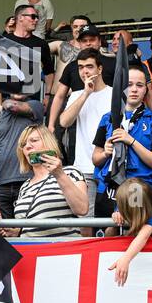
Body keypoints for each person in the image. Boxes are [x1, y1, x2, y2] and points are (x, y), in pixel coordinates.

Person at [90, 66, 152, 218]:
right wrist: (105, 153)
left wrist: (131, 141)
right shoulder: (108, 119)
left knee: (130, 228)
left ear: (146, 89)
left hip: (138, 185)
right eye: (129, 84)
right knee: (106, 235)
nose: (134, 89)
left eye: (139, 85)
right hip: (107, 187)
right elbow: (95, 159)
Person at [59, 48, 113, 214]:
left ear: (100, 69)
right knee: (85, 218)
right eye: (81, 67)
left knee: (113, 218)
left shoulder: (113, 94)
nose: (85, 71)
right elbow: (64, 122)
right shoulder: (77, 95)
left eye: (89, 66)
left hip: (110, 166)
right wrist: (86, 93)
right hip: (84, 167)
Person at [11, 125, 88, 237]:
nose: (27, 146)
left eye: (34, 140)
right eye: (23, 144)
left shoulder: (70, 172)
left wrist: (59, 175)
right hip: (31, 251)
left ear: (48, 143)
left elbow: (82, 209)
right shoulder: (25, 186)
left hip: (61, 250)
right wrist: (15, 232)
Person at [0, 92, 44, 218]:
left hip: (28, 180)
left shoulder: (35, 105)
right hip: (0, 182)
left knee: (26, 228)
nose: (18, 90)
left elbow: (11, 105)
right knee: (3, 231)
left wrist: (0, 98)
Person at [106, 179, 152, 287]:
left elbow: (143, 236)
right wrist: (114, 222)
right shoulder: (124, 204)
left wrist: (125, 259)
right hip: (131, 261)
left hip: (151, 262)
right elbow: (108, 236)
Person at [3, 3, 55, 100]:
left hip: (31, 99)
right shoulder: (4, 41)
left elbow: (49, 72)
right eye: (33, 17)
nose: (36, 20)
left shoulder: (41, 44)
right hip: (5, 97)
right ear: (20, 18)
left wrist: (47, 96)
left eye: (37, 17)